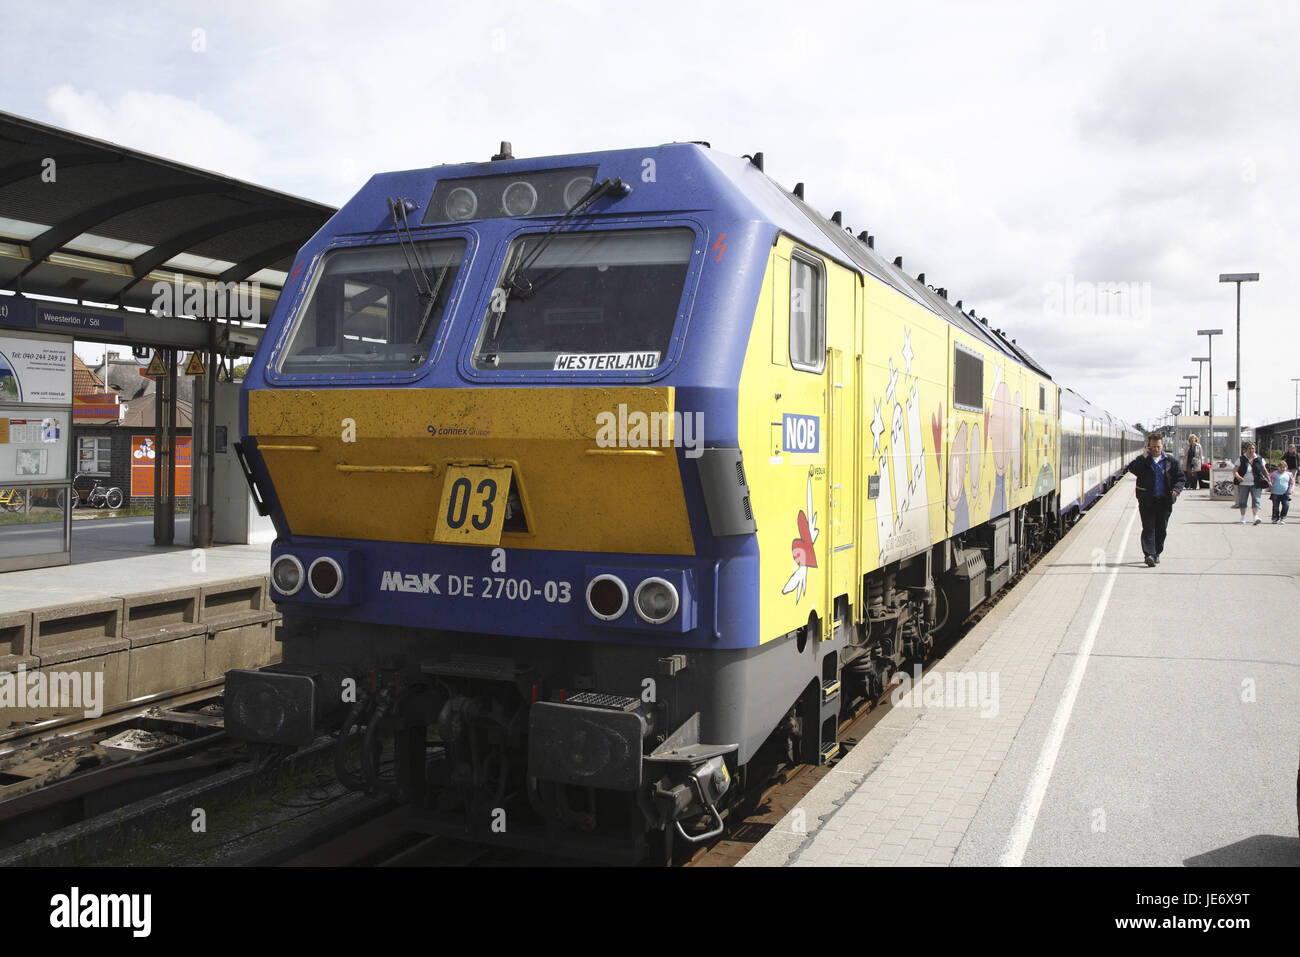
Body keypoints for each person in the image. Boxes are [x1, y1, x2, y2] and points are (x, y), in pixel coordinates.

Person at [1125, 432, 1185, 566]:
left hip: (1165, 501)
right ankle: (1149, 554)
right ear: (1148, 447)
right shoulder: (1144, 460)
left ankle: (1157, 552)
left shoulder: (1171, 461)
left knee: (1161, 529)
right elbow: (1132, 469)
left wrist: (1176, 490)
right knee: (1148, 527)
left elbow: (1180, 478)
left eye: (1158, 446)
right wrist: (1144, 456)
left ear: (1162, 445)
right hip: (1147, 500)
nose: (1156, 449)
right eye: (1153, 447)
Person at [1233, 442, 1270, 525]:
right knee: (1242, 501)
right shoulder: (1241, 459)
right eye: (1249, 448)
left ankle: (1255, 517)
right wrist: (1238, 477)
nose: (1251, 450)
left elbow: (1264, 470)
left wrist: (1269, 480)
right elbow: (1234, 471)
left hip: (1256, 483)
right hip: (1243, 484)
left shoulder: (1260, 459)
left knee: (1256, 500)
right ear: (1246, 449)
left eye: (1253, 448)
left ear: (1255, 449)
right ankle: (1243, 517)